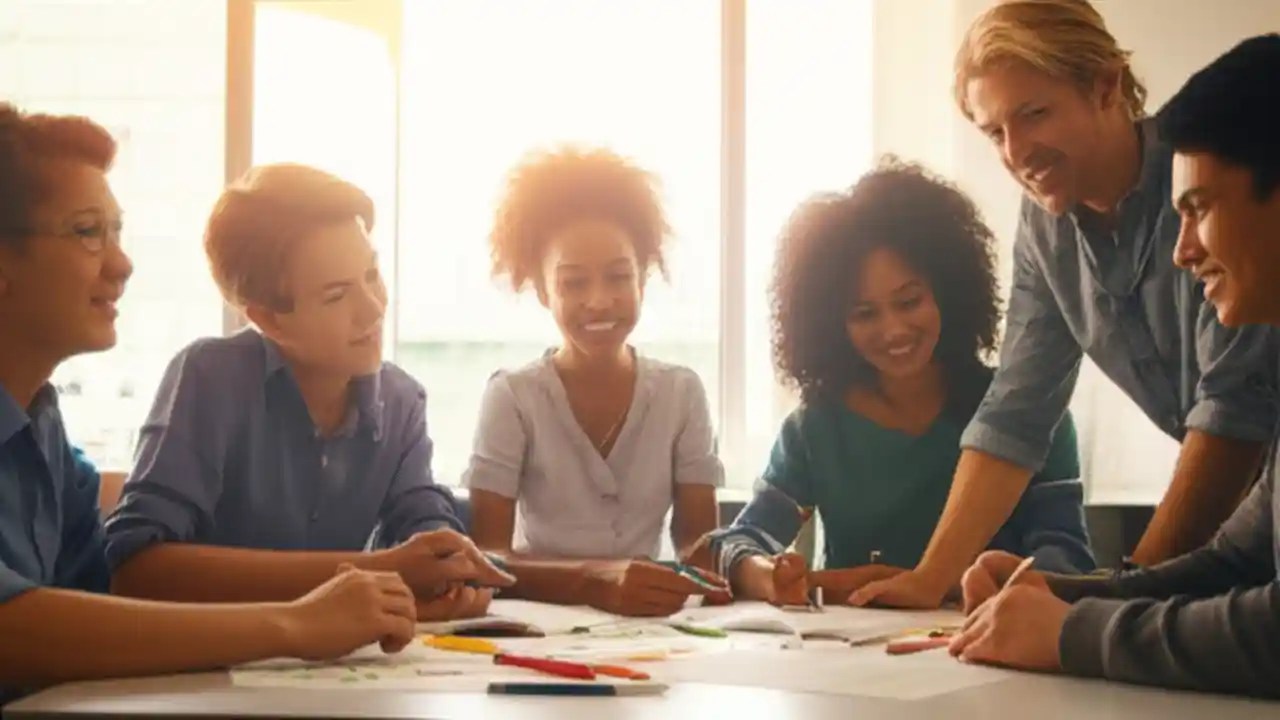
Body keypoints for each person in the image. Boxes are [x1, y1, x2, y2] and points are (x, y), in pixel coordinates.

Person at [854, 0, 1277, 609]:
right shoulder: (1045, 227)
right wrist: (930, 578)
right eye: (994, 132)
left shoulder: (1204, 174)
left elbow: (1234, 411)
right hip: (1245, 533)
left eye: (1034, 114)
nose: (1015, 152)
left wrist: (1116, 610)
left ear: (1105, 86)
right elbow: (1016, 410)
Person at [0, 104, 418, 704]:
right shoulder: (212, 375)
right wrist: (295, 623)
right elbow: (20, 625)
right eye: (87, 232)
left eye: (117, 233)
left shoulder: (42, 431)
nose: (122, 264)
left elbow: (107, 606)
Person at [949, 34, 1280, 698]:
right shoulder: (1045, 228)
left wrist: (1072, 633)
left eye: (1198, 210)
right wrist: (1063, 595)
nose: (1182, 253)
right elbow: (1235, 561)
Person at [105, 164, 512, 619]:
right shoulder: (211, 377)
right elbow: (137, 569)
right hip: (211, 654)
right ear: (269, 320)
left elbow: (422, 522)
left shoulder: (401, 401)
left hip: (335, 656)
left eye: (372, 274)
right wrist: (376, 570)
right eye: (336, 295)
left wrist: (447, 571)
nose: (374, 309)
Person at [709, 160, 1094, 606]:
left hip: (987, 633)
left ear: (947, 291)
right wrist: (768, 577)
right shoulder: (814, 429)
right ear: (832, 325)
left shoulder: (1031, 415)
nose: (893, 330)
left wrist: (952, 584)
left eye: (909, 302)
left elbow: (1067, 561)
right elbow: (740, 542)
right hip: (854, 646)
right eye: (864, 314)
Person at [464, 147, 730, 616]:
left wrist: (710, 578)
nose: (600, 301)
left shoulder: (681, 393)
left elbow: (697, 548)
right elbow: (488, 557)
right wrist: (593, 582)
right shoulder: (512, 397)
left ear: (642, 279)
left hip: (648, 624)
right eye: (573, 283)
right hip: (539, 621)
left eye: (618, 277)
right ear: (543, 290)